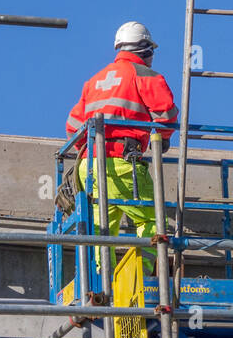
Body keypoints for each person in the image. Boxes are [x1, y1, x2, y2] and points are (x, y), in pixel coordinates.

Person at [65, 21, 178, 271]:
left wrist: (94, 150)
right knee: (151, 220)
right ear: (145, 49)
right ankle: (144, 279)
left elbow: (73, 127)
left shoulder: (94, 81)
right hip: (125, 165)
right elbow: (166, 114)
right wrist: (165, 137)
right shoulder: (145, 75)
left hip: (90, 166)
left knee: (99, 230)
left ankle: (100, 283)